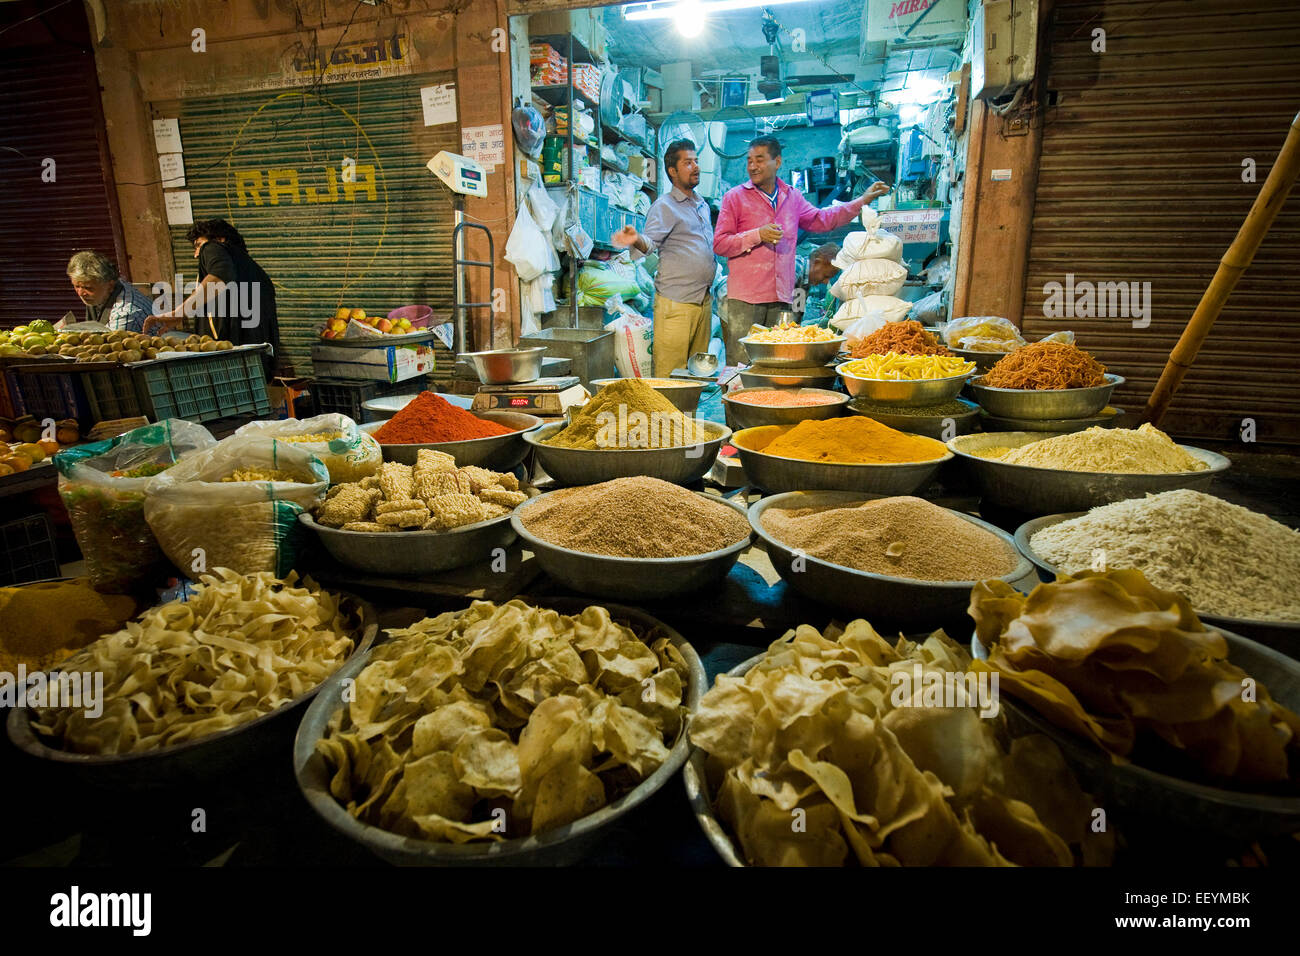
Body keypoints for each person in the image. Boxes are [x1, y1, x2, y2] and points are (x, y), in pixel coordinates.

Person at [713, 136, 890, 364]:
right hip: (746, 299)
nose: (752, 166)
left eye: (759, 159)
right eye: (749, 160)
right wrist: (758, 234)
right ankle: (736, 400)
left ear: (777, 162)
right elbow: (720, 243)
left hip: (781, 297)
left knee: (780, 362)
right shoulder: (734, 197)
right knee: (742, 364)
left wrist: (861, 201)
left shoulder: (792, 197)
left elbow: (822, 219)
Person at [611, 139, 716, 377]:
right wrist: (635, 237)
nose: (696, 167)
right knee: (671, 376)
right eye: (688, 163)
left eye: (696, 161)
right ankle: (666, 416)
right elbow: (649, 245)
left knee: (697, 375)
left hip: (703, 302)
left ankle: (689, 415)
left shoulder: (701, 205)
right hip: (676, 304)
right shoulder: (665, 206)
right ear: (673, 171)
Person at [145, 219, 283, 379]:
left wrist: (179, 313)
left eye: (198, 245)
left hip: (228, 367)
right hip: (256, 367)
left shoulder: (213, 248)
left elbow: (220, 274)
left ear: (220, 239)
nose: (196, 254)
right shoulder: (254, 271)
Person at [66, 251, 154, 332]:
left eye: (88, 288)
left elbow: (108, 345)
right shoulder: (103, 293)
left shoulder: (125, 312)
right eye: (77, 286)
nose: (81, 293)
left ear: (110, 285)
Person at [794, 243, 841, 328]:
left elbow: (795, 318)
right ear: (816, 262)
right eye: (826, 276)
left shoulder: (805, 284)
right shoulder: (795, 267)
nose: (826, 282)